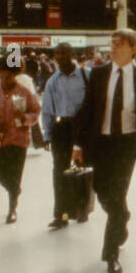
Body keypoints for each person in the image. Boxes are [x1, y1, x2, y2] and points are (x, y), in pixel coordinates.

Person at [72, 28, 136, 273]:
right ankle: (122, 218)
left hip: (127, 146)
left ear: (133, 49)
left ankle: (110, 254)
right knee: (103, 192)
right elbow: (87, 110)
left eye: (119, 44)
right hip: (100, 144)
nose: (113, 48)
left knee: (116, 194)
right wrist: (77, 145)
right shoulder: (98, 74)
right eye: (112, 43)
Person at [0, 57, 41, 224]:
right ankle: (15, 190)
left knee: (15, 175)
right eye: (1, 77)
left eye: (8, 77)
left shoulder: (24, 93)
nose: (4, 80)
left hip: (18, 140)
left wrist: (25, 118)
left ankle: (12, 208)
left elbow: (35, 112)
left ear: (15, 75)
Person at [40, 43, 90, 230]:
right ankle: (61, 214)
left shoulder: (87, 75)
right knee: (60, 171)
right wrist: (47, 133)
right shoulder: (53, 81)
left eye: (63, 53)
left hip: (84, 127)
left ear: (71, 54)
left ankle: (82, 209)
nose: (59, 56)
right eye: (57, 53)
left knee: (83, 169)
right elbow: (47, 110)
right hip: (63, 128)